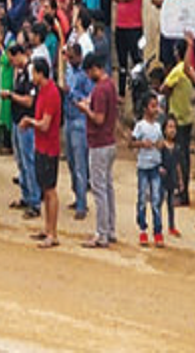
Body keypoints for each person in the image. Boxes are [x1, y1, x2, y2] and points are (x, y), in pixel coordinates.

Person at [78, 53, 119, 248]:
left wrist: (86, 109)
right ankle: (109, 229)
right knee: (107, 187)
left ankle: (102, 233)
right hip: (109, 141)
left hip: (99, 143)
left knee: (99, 189)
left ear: (95, 68)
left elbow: (99, 119)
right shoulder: (109, 85)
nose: (88, 76)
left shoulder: (101, 89)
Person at [20, 57, 60, 248]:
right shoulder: (43, 90)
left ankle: (53, 233)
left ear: (40, 73)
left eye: (34, 72)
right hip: (42, 146)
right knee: (46, 189)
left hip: (49, 148)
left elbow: (45, 124)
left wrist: (30, 122)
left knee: (50, 190)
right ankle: (48, 228)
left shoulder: (51, 93)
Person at [160, 37, 195, 206]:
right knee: (184, 158)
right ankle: (181, 191)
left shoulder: (178, 70)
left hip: (178, 120)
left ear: (177, 53)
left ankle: (181, 193)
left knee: (178, 159)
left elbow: (164, 88)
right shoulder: (189, 70)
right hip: (187, 117)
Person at [62, 39, 93, 221]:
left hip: (80, 120)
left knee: (80, 164)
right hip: (69, 117)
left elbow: (89, 97)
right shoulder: (68, 71)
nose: (70, 60)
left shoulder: (85, 74)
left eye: (72, 57)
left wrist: (71, 93)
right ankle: (77, 196)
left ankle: (82, 204)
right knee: (72, 162)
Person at [130, 93, 164, 247]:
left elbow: (162, 142)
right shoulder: (140, 126)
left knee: (156, 199)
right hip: (143, 167)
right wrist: (142, 144)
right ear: (145, 108)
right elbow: (131, 143)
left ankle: (157, 231)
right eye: (153, 106)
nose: (156, 109)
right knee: (143, 199)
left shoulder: (157, 127)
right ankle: (143, 228)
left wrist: (160, 145)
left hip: (155, 165)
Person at [110, 0, 144, 99]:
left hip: (134, 25)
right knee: (121, 61)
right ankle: (122, 93)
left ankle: (138, 93)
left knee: (136, 60)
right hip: (120, 24)